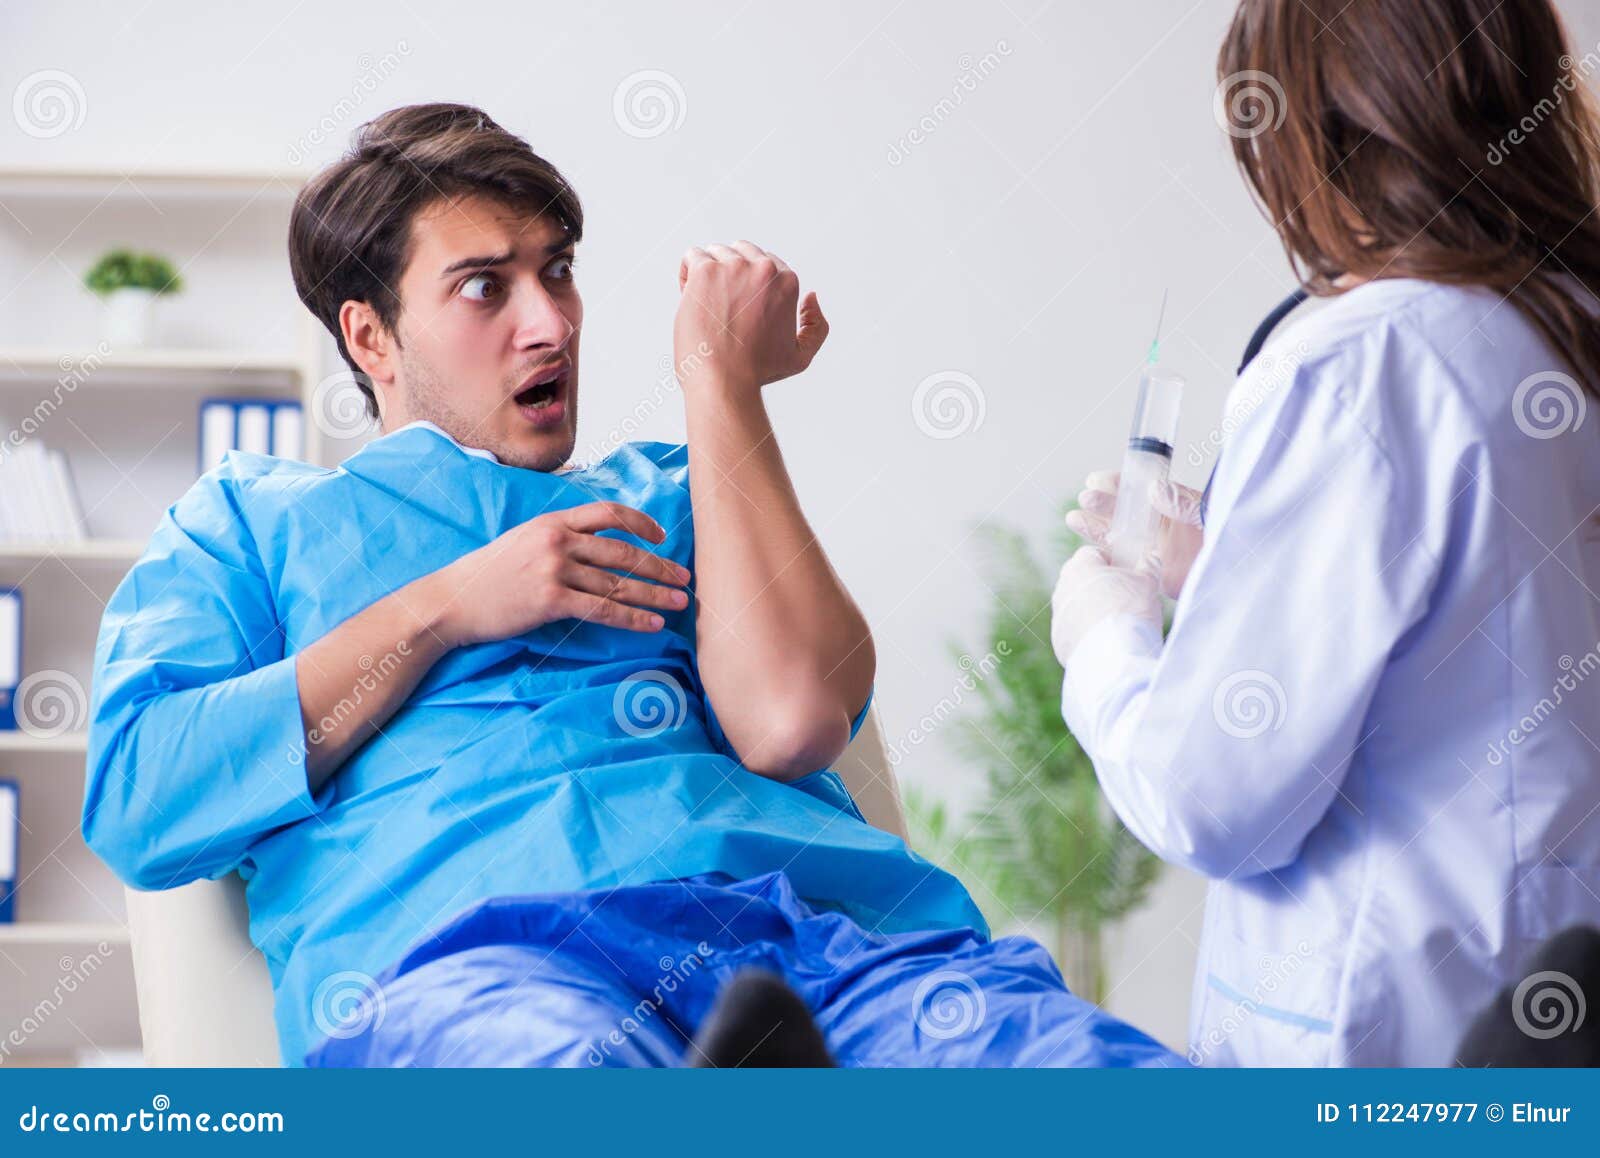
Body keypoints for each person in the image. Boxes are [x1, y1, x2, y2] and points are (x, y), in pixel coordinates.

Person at [84, 103, 1178, 1069]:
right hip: (481, 977)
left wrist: (721, 382)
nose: (550, 321)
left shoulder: (673, 486)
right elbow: (142, 794)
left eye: (556, 269)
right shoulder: (251, 523)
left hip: (822, 949)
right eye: (484, 287)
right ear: (369, 336)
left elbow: (794, 721)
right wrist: (446, 608)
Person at [1052, 0, 1600, 1066]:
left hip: (1386, 1037)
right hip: (1543, 1010)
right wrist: (1219, 574)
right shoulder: (1564, 320)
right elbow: (1488, 638)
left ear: (1322, 132)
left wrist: (1106, 635)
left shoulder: (1360, 363)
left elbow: (1213, 797)